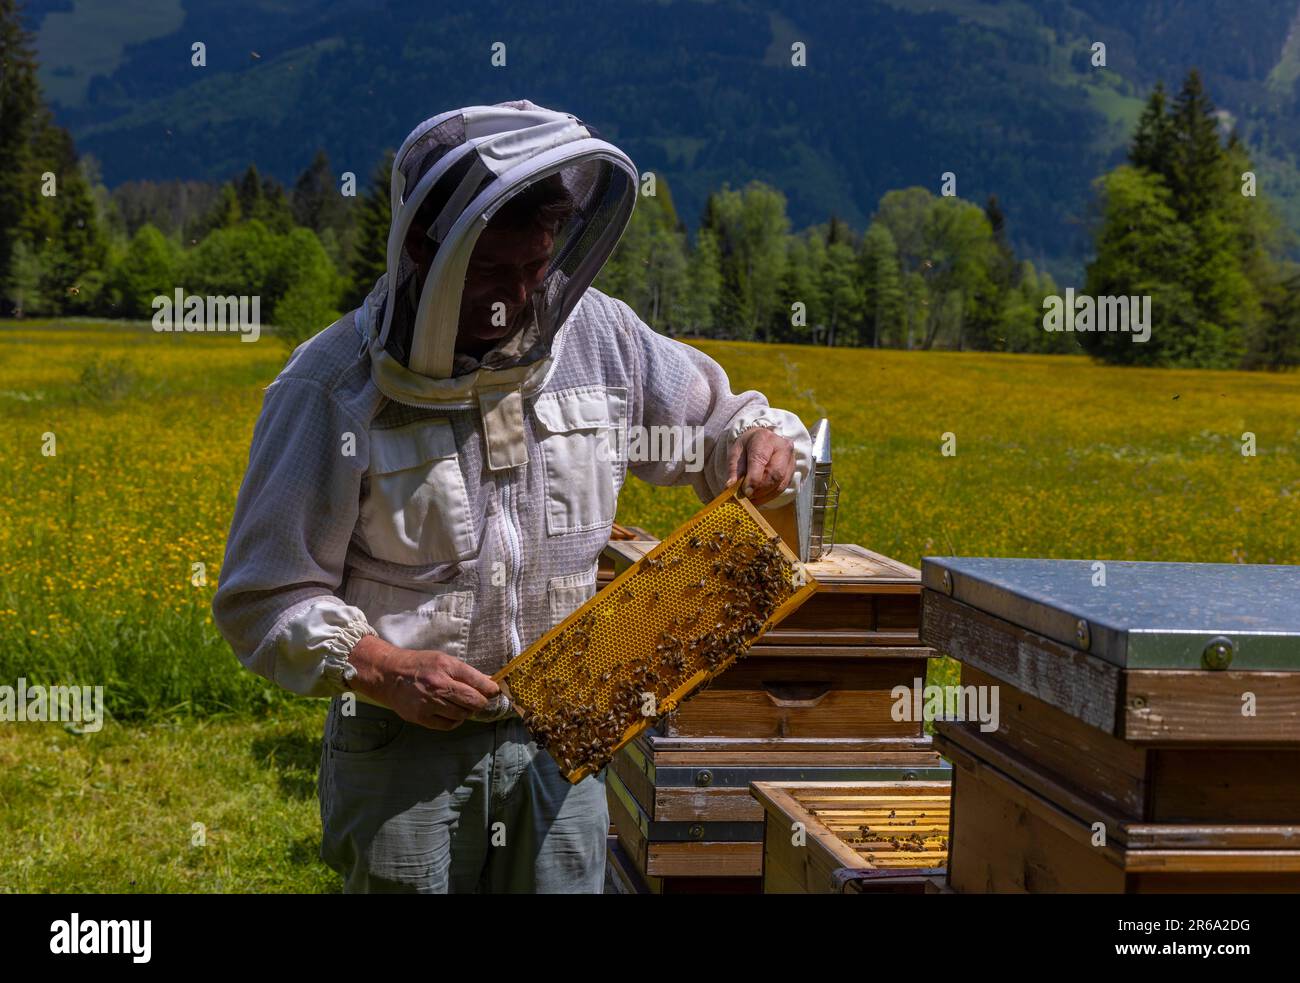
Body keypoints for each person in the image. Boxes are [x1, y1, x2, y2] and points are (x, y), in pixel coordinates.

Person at [212, 100, 812, 893]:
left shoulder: (602, 337)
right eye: (494, 273)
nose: (523, 296)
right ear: (425, 253)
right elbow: (264, 595)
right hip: (401, 752)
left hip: (567, 729)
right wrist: (386, 668)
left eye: (537, 267)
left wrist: (757, 443)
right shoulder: (331, 387)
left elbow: (716, 424)